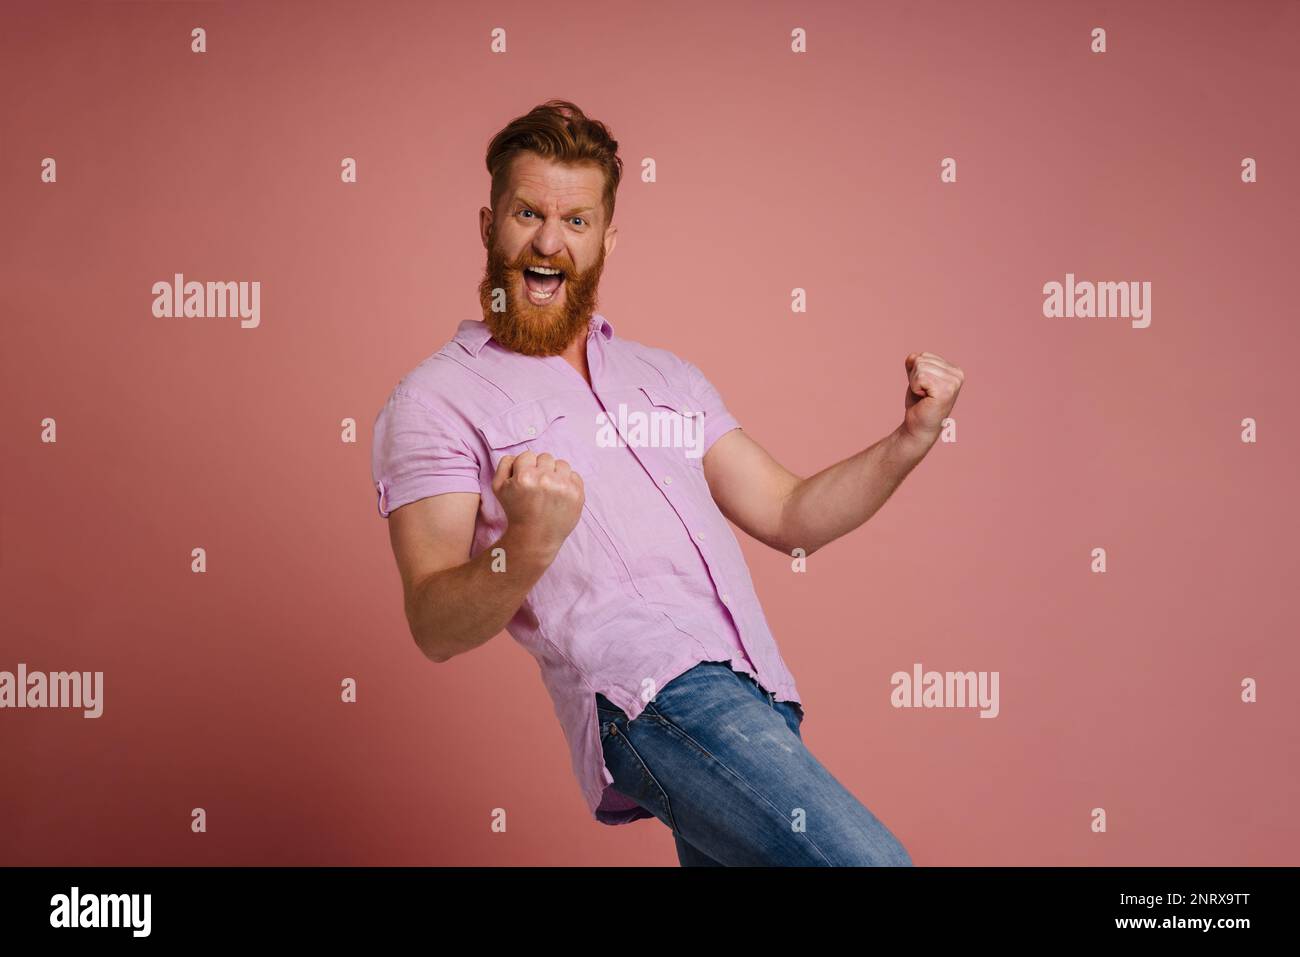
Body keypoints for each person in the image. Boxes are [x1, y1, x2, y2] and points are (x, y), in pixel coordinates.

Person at [371, 99, 963, 865]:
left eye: (576, 221)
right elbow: (433, 621)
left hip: (760, 693)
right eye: (527, 213)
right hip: (654, 696)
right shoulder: (435, 398)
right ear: (488, 225)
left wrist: (910, 440)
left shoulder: (668, 377)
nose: (548, 241)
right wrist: (526, 545)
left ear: (606, 240)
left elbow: (788, 513)